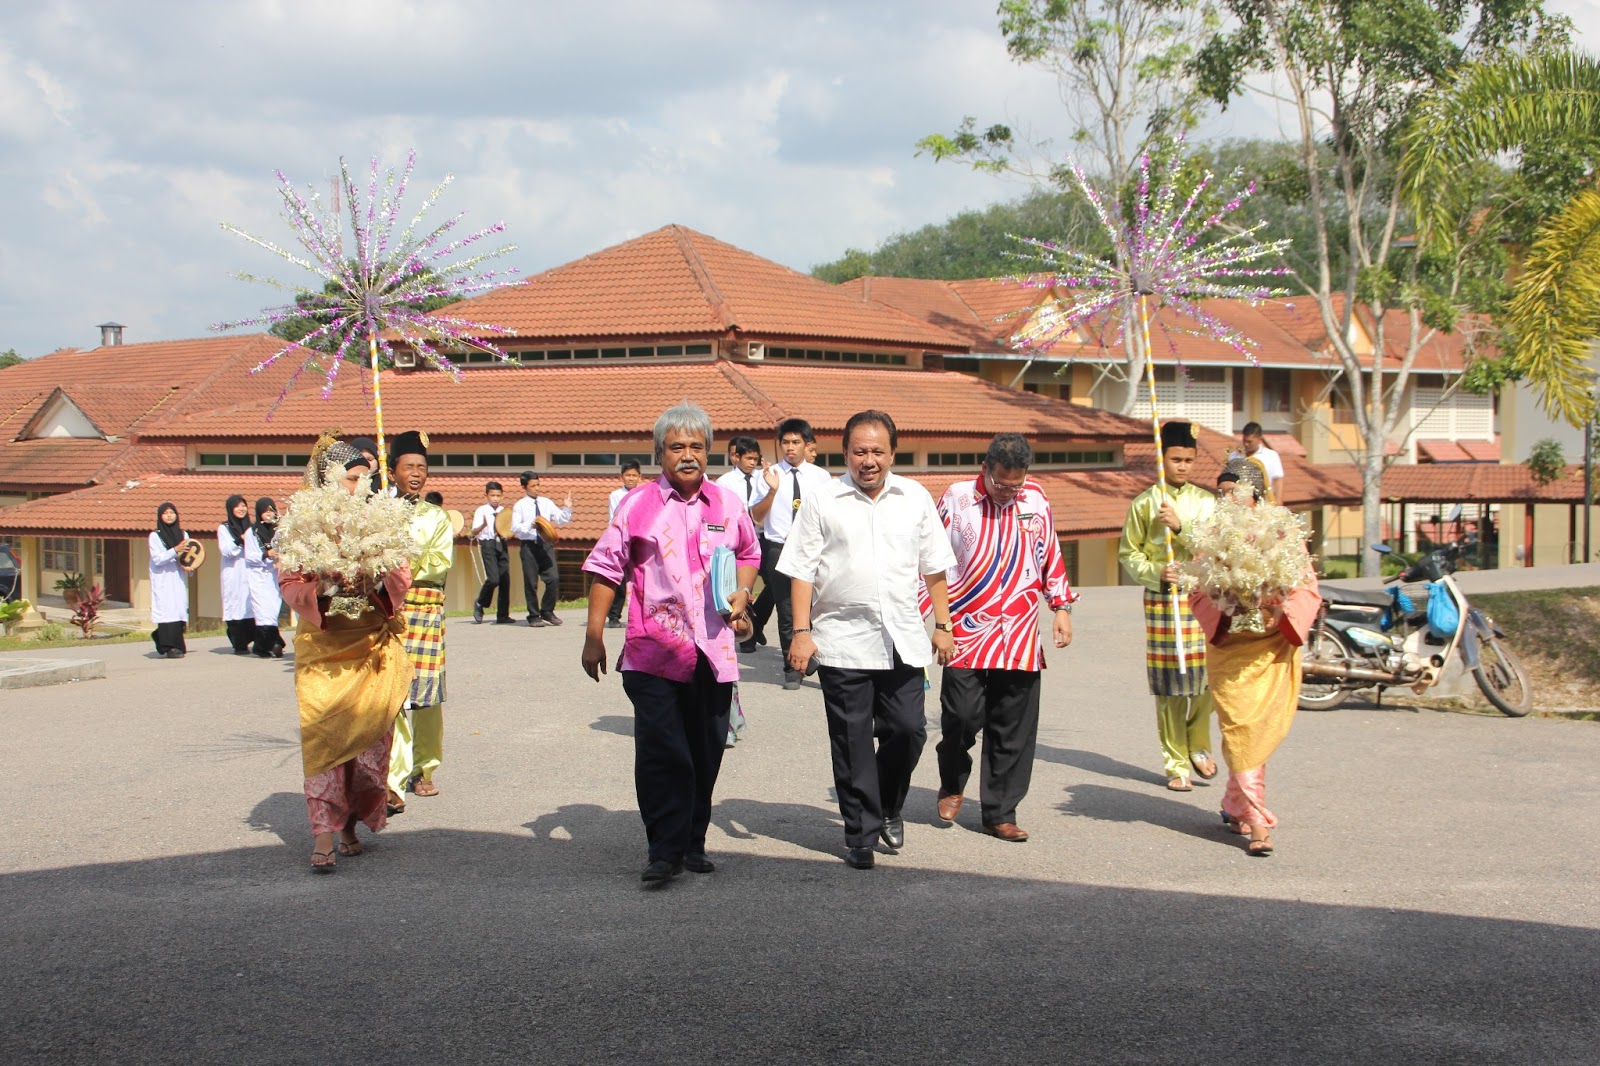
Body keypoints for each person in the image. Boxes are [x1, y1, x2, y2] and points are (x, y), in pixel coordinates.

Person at [581, 403, 760, 883]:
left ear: (708, 452)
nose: (687, 455)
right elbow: (605, 567)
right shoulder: (637, 504)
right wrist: (593, 635)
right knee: (664, 751)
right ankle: (663, 850)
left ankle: (693, 841)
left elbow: (749, 551)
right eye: (677, 446)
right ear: (660, 452)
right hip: (653, 649)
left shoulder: (728, 503)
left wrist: (744, 590)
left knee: (705, 750)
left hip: (714, 649)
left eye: (696, 447)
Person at [779, 410, 957, 869]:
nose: (869, 460)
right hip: (840, 639)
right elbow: (800, 569)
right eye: (860, 451)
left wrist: (943, 623)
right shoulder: (824, 499)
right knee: (852, 739)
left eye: (878, 451)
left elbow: (934, 565)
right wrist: (800, 634)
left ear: (893, 454)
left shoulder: (914, 497)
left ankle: (888, 806)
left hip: (901, 637)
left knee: (908, 730)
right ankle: (860, 833)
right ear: (845, 454)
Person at [933, 433, 1077, 843]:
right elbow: (932, 560)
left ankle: (1000, 811)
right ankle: (952, 778)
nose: (1009, 491)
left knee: (1012, 726)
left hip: (1018, 631)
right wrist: (930, 621)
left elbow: (1050, 552)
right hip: (964, 628)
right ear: (985, 469)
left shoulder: (1035, 499)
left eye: (1016, 484)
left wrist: (1061, 607)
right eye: (1001, 484)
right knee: (960, 716)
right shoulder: (957, 498)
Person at [278, 439, 413, 873]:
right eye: (351, 478)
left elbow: (401, 572)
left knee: (369, 748)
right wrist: (322, 586)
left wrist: (372, 576)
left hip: (370, 644)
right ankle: (322, 832)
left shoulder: (380, 516)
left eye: (363, 478)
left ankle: (351, 823)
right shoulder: (301, 521)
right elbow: (288, 583)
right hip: (323, 648)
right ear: (327, 479)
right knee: (323, 741)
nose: (359, 485)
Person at [1189, 457, 1319, 856]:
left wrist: (1279, 611)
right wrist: (1227, 600)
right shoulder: (1213, 532)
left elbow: (1307, 586)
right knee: (1241, 730)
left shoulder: (1282, 529)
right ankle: (1258, 822)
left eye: (1235, 493)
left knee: (1253, 735)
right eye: (1222, 494)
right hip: (1230, 648)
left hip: (1273, 645)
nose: (1227, 501)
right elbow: (1197, 591)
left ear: (1255, 493)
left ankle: (1235, 805)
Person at [1118, 420, 1219, 791]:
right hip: (1163, 602)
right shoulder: (1145, 504)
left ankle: (1200, 744)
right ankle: (1176, 762)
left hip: (1202, 600)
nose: (1183, 466)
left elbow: (1215, 550)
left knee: (1205, 680)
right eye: (1176, 459)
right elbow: (1129, 555)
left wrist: (1180, 527)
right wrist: (1158, 572)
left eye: (1189, 460)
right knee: (1171, 685)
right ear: (1162, 459)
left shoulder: (1207, 503)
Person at [386, 431, 454, 812]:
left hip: (424, 612)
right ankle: (393, 778)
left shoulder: (437, 517)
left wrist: (396, 569)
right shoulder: (378, 512)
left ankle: (424, 768)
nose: (416, 474)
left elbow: (439, 563)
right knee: (391, 694)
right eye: (409, 467)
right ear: (392, 471)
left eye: (422, 468)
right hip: (388, 615)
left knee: (426, 696)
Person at [749, 418, 832, 689]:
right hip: (779, 548)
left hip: (814, 547)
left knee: (818, 607)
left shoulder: (821, 477)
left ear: (807, 444)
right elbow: (757, 517)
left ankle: (827, 662)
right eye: (785, 442)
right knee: (786, 608)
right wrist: (772, 491)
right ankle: (792, 668)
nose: (790, 447)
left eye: (796, 442)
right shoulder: (770, 474)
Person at [714, 436, 771, 653]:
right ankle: (745, 636)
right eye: (748, 458)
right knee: (741, 587)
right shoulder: (725, 482)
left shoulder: (763, 478)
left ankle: (757, 621)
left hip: (762, 536)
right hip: (737, 542)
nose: (752, 463)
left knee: (774, 584)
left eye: (755, 459)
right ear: (736, 457)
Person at [511, 470, 572, 627]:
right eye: (533, 486)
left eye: (538, 485)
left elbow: (561, 519)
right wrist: (529, 525)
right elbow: (515, 528)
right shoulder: (520, 506)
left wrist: (567, 508)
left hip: (545, 544)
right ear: (525, 487)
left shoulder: (546, 502)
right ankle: (533, 615)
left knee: (553, 578)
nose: (537, 488)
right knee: (531, 582)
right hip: (529, 546)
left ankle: (547, 610)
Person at [604, 461, 645, 629]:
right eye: (627, 475)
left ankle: (639, 616)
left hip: (639, 539)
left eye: (634, 475)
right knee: (619, 581)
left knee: (639, 579)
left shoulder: (643, 493)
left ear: (639, 477)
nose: (631, 478)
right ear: (621, 477)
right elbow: (615, 517)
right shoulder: (615, 495)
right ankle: (614, 615)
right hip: (622, 539)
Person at [244, 497, 285, 658]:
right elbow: (249, 556)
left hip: (274, 576)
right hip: (259, 577)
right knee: (264, 611)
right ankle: (265, 645)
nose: (268, 515)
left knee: (273, 611)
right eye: (265, 512)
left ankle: (268, 644)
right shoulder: (252, 532)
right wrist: (266, 554)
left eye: (271, 511)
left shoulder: (278, 531)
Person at [148, 502, 190, 659]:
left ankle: (175, 643)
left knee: (178, 610)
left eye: (172, 512)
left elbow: (189, 555)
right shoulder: (155, 536)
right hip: (163, 578)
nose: (169, 515)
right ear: (160, 516)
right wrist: (175, 550)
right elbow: (158, 559)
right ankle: (169, 647)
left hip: (178, 578)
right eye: (165, 513)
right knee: (167, 611)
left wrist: (189, 566)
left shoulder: (183, 534)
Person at [218, 495, 256, 655]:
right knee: (236, 606)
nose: (241, 509)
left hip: (250, 571)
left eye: (244, 506)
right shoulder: (224, 528)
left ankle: (253, 639)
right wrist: (239, 540)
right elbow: (226, 551)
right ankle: (238, 642)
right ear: (230, 509)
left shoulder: (252, 528)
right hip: (233, 572)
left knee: (251, 605)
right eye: (238, 506)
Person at [471, 481, 512, 625]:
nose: (495, 498)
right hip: (488, 544)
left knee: (505, 580)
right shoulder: (481, 511)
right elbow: (473, 531)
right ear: (486, 495)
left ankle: (503, 614)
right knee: (494, 578)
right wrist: (482, 525)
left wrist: (508, 534)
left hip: (501, 543)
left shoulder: (504, 511)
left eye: (498, 495)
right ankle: (480, 602)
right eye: (492, 495)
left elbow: (509, 528)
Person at [1239, 422, 1284, 502]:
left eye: (1249, 442)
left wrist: (1278, 502)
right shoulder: (1235, 456)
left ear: (1259, 439)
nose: (1246, 444)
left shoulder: (1271, 456)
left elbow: (1277, 480)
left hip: (1264, 502)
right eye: (1244, 441)